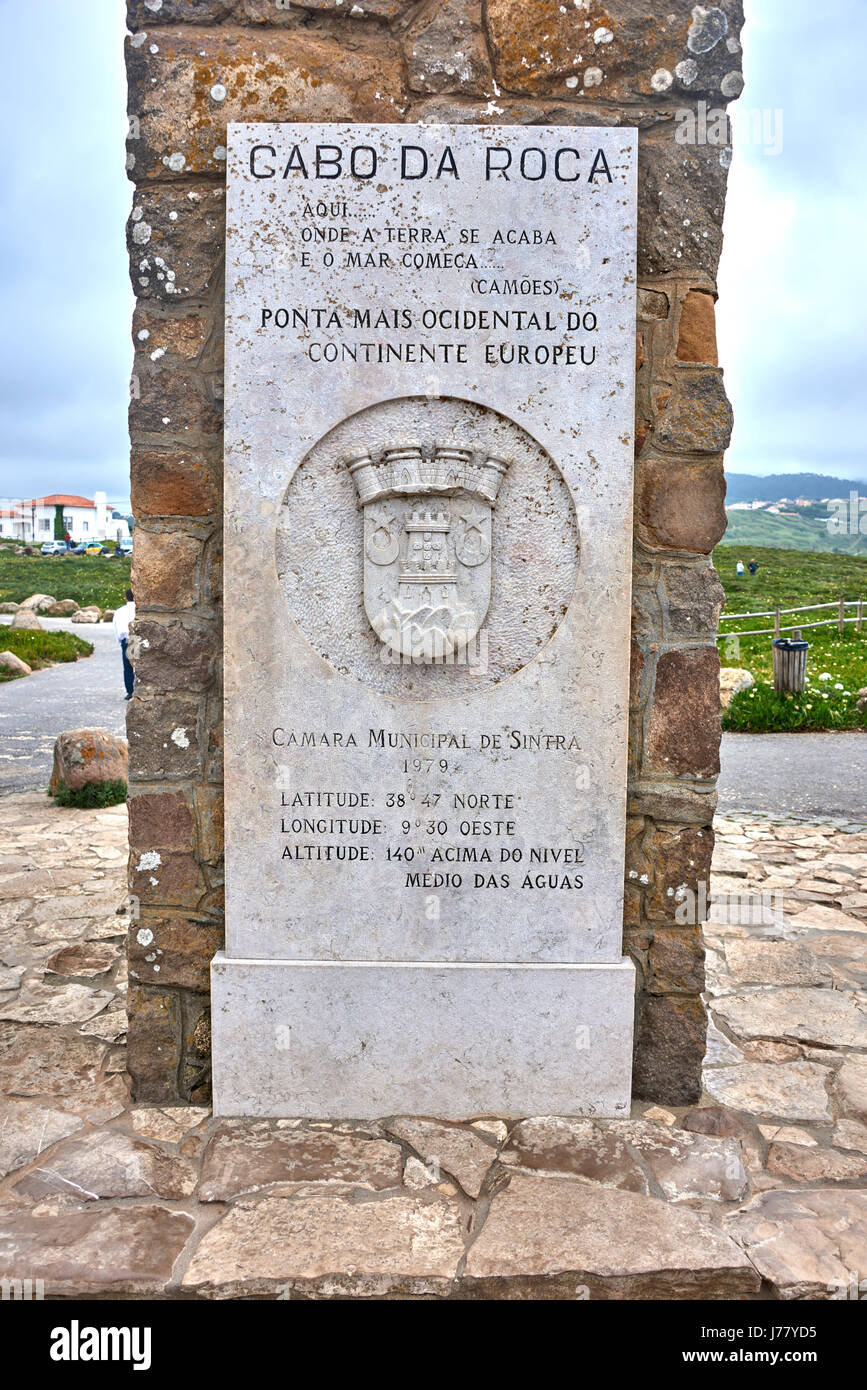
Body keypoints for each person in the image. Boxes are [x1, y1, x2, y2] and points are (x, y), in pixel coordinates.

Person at [113, 588, 136, 700]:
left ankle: (131, 691)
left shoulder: (119, 611)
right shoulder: (139, 609)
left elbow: (116, 628)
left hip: (126, 640)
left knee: (128, 667)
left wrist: (120, 640)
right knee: (139, 666)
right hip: (138, 639)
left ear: (126, 598)